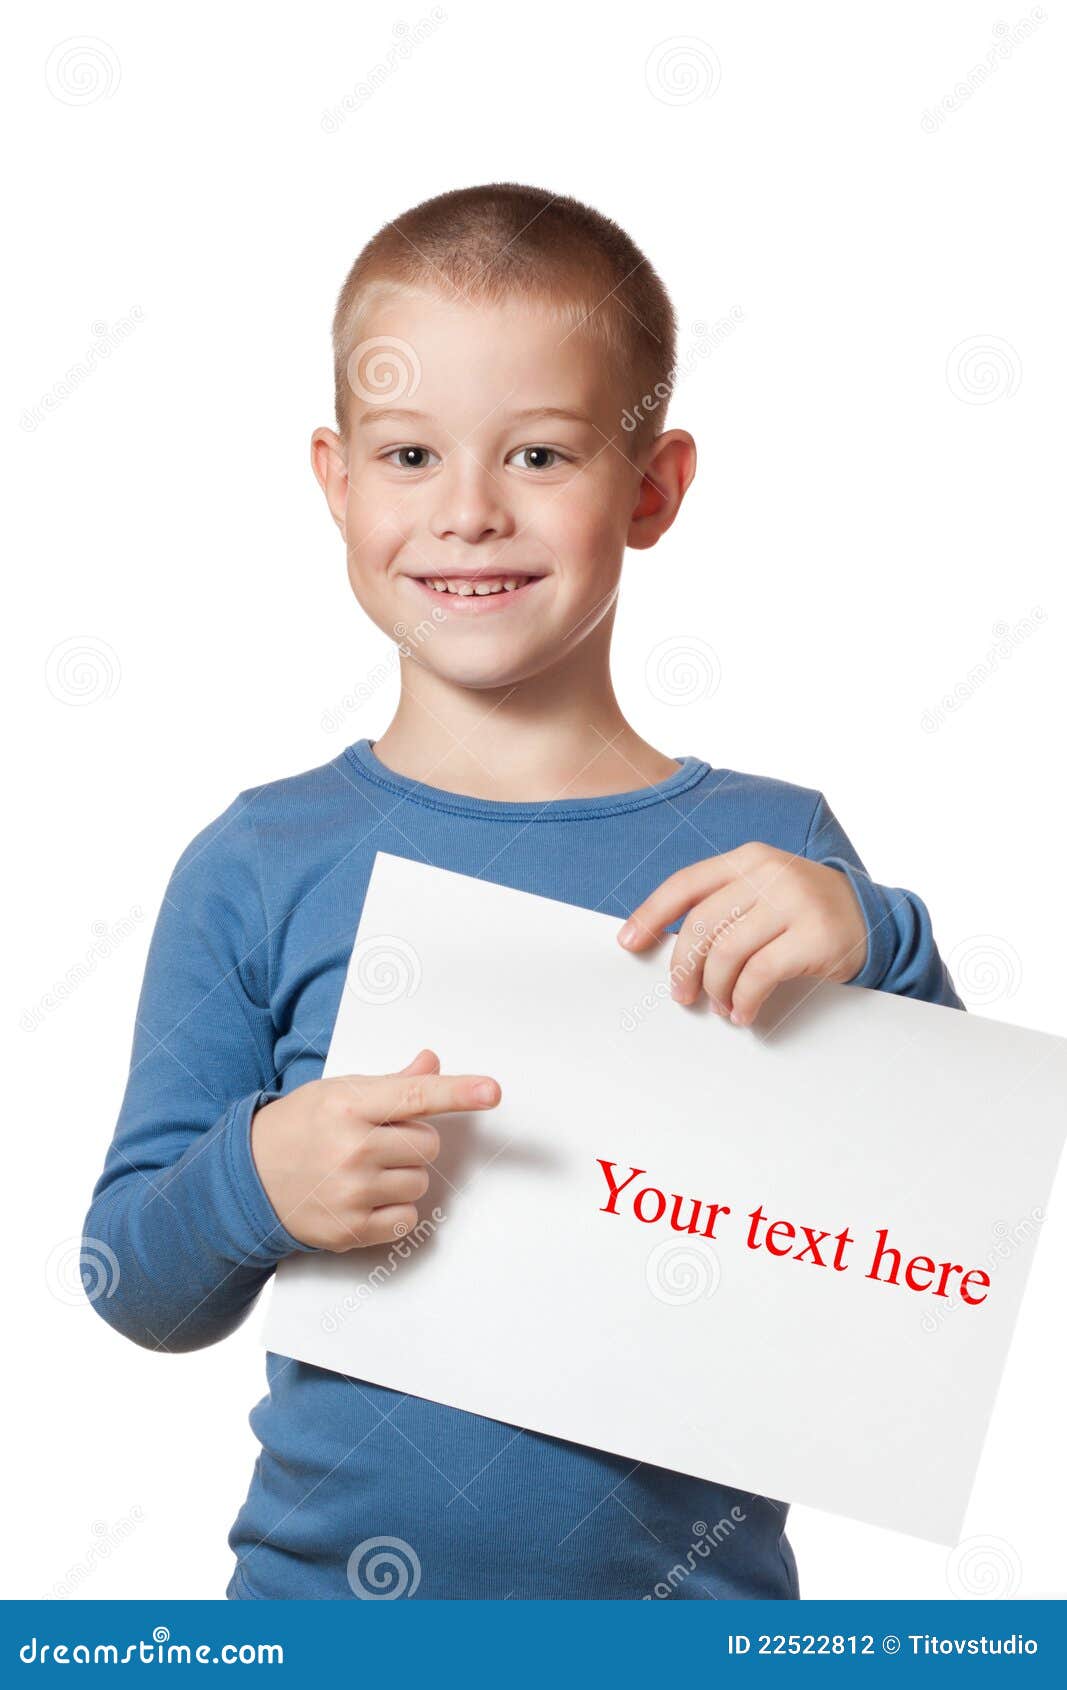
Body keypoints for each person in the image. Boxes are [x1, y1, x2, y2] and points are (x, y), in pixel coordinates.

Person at [83, 182, 963, 1600]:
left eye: (541, 453)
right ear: (337, 482)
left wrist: (882, 940)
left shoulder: (773, 851)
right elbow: (131, 1273)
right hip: (322, 1630)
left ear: (656, 488)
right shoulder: (256, 863)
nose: (471, 512)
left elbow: (937, 1232)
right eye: (412, 452)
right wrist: (258, 1180)